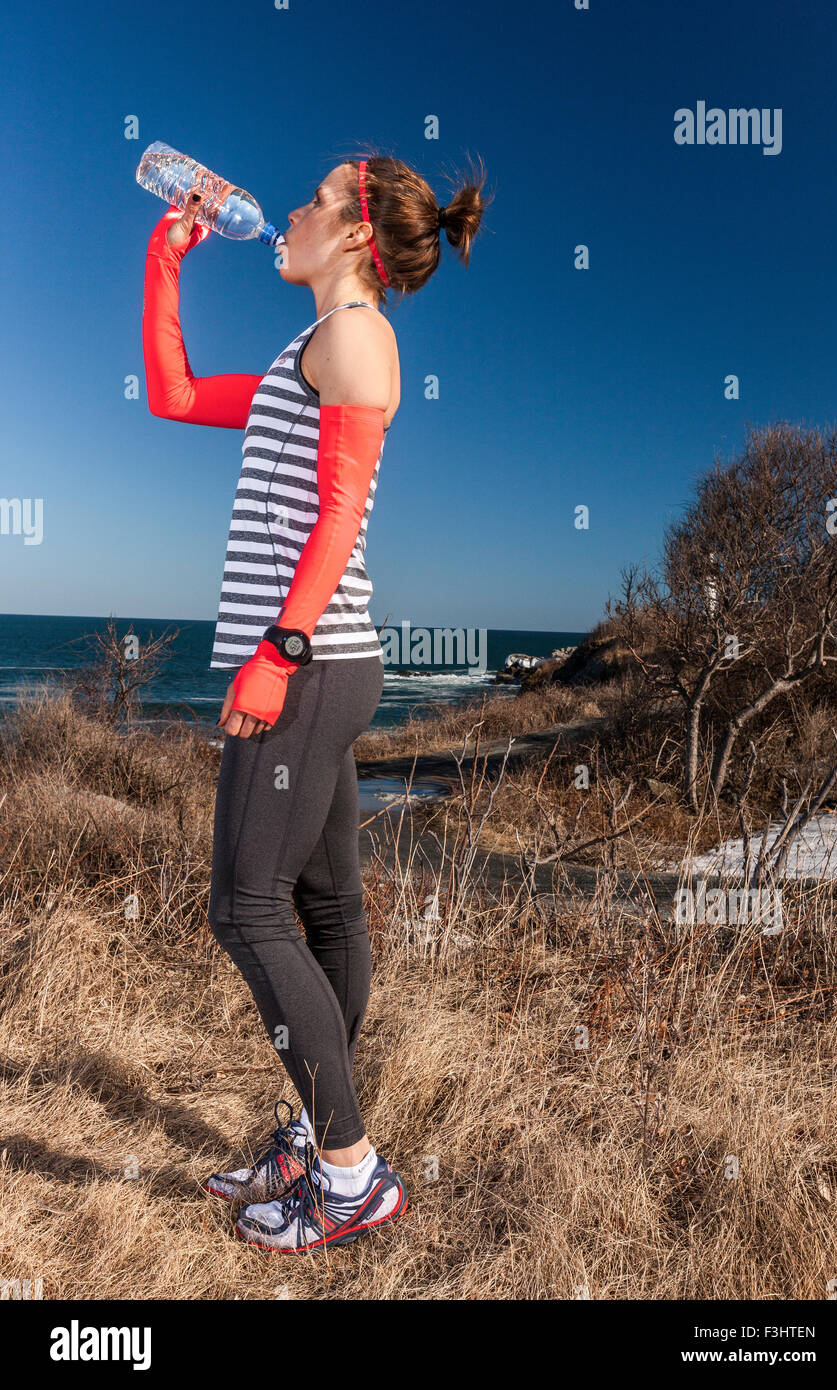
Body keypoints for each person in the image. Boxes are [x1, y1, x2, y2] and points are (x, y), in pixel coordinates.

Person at [141, 151, 489, 1252]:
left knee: (244, 908)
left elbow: (339, 515)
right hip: (324, 663)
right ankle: (317, 1129)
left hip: (311, 665)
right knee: (328, 906)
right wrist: (169, 253)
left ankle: (347, 1173)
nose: (284, 211)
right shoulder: (310, 348)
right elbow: (176, 394)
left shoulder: (357, 337)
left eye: (312, 201)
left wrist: (274, 652)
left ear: (352, 236)